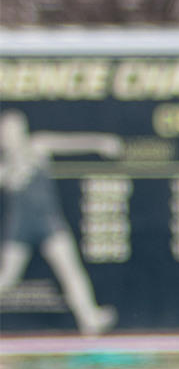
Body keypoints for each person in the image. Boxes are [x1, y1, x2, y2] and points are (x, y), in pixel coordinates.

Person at [0, 110, 120, 337]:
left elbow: (71, 142)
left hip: (49, 223)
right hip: (20, 229)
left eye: (14, 131)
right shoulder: (4, 167)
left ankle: (90, 319)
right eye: (5, 133)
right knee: (6, 277)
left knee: (70, 270)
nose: (10, 137)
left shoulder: (38, 146)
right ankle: (90, 317)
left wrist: (100, 142)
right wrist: (12, 171)